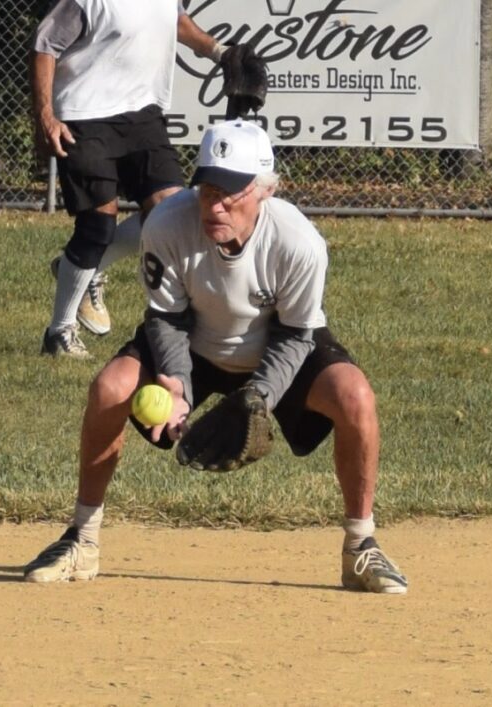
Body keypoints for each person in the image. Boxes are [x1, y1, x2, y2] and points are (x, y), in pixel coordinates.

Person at [24, 120, 408, 594]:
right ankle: (81, 540)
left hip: (278, 343)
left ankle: (360, 548)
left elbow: (295, 334)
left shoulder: (299, 242)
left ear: (264, 190)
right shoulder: (167, 223)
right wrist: (179, 384)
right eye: (207, 188)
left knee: (356, 398)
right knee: (109, 388)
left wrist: (259, 397)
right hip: (192, 339)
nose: (215, 203)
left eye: (231, 192)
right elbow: (165, 318)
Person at [31, 0, 231, 358]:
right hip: (84, 113)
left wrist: (220, 53)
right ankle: (59, 333)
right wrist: (46, 117)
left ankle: (81, 268)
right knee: (97, 226)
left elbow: (176, 21)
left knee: (174, 213)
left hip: (143, 114)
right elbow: (45, 46)